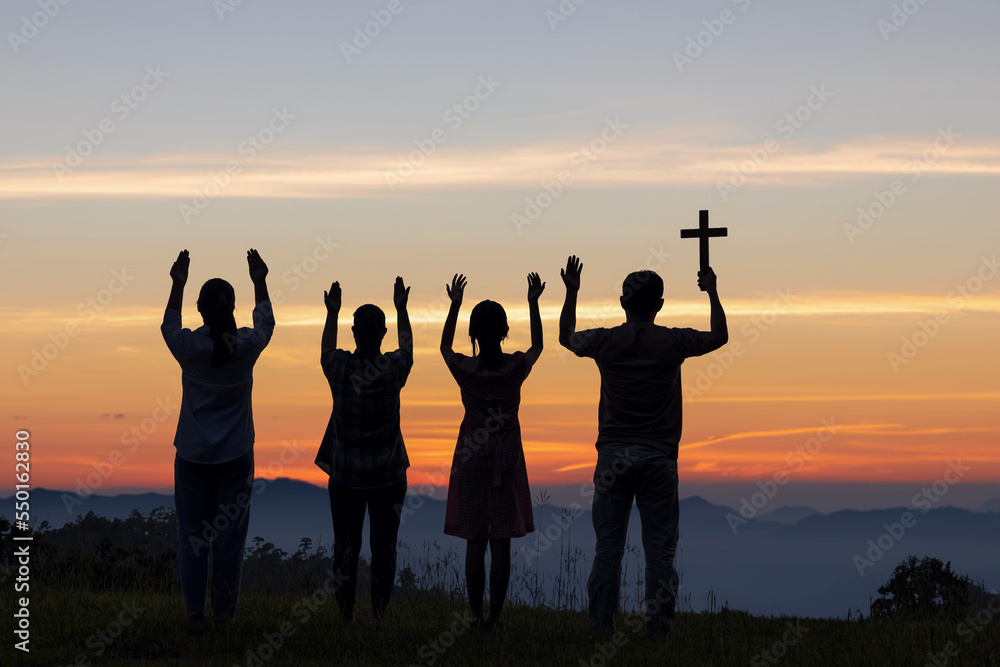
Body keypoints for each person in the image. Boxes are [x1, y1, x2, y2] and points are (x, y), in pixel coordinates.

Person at [558, 255, 727, 639]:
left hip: (613, 458)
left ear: (623, 302)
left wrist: (572, 293)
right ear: (660, 305)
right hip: (658, 460)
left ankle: (601, 630)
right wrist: (712, 291)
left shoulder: (606, 341)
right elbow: (719, 336)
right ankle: (658, 633)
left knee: (608, 550)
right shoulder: (672, 341)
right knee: (660, 554)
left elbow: (567, 337)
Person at [161, 248, 275, 622]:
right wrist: (260, 281)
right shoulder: (245, 347)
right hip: (236, 458)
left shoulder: (190, 348)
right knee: (228, 543)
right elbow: (266, 323)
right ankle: (223, 617)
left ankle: (195, 614)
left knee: (193, 539)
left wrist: (178, 283)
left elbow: (169, 325)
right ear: (233, 307)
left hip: (192, 457)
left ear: (200, 310)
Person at [440, 272, 544, 630]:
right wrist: (533, 302)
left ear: (473, 334)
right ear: (504, 332)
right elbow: (537, 347)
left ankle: (474, 617)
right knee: (502, 540)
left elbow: (445, 349)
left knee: (475, 538)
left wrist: (454, 306)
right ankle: (494, 619)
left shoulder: (466, 369)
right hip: (507, 455)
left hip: (471, 455)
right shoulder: (514, 368)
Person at [315, 276, 413, 625]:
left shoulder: (340, 369)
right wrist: (402, 309)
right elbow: (407, 350)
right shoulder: (392, 370)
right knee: (384, 549)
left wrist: (332, 312)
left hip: (346, 478)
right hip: (388, 477)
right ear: (383, 333)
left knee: (345, 549)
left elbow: (326, 350)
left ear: (354, 332)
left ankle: (346, 618)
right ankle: (378, 617)